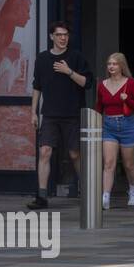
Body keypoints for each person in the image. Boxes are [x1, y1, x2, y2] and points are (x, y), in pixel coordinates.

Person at [28, 21, 93, 210]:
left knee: (75, 154)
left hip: (72, 113)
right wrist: (33, 112)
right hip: (49, 114)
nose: (63, 38)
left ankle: (87, 191)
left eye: (66, 35)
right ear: (51, 37)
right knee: (45, 152)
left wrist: (69, 72)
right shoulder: (42, 59)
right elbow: (36, 86)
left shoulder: (76, 57)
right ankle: (41, 197)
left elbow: (87, 83)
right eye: (59, 35)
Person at [96, 52, 134, 209]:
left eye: (115, 64)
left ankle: (133, 190)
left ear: (121, 66)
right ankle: (105, 196)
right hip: (109, 125)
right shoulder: (102, 85)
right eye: (109, 64)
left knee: (128, 165)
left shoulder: (130, 84)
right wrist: (93, 122)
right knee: (109, 163)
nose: (111, 66)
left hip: (128, 125)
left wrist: (127, 99)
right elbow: (99, 107)